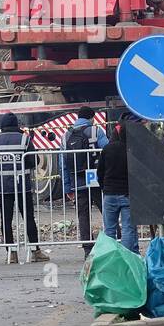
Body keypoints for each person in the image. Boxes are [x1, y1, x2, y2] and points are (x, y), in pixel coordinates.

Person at [0, 113, 51, 264]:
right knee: (28, 217)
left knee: (6, 219)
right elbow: (33, 160)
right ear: (16, 124)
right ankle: (35, 251)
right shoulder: (24, 139)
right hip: (22, 184)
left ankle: (11, 253)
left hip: (2, 186)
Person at [60, 106, 108, 259]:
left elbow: (63, 164)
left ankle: (87, 249)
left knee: (83, 214)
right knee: (107, 211)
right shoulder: (96, 131)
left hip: (78, 180)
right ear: (91, 117)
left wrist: (67, 187)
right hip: (96, 179)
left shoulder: (66, 135)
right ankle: (115, 242)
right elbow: (107, 152)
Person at [98, 116, 137, 253]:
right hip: (127, 194)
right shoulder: (132, 150)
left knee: (109, 230)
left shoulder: (107, 149)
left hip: (109, 194)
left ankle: (110, 258)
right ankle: (126, 259)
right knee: (128, 229)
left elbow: (100, 171)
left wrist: (104, 187)